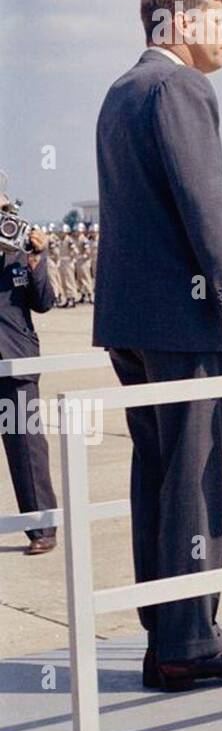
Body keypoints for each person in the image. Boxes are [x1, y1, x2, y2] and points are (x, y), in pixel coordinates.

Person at [95, 0, 222, 692]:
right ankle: (189, 643)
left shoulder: (122, 90)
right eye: (218, 20)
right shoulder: (181, 90)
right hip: (180, 317)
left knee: (158, 476)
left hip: (131, 321)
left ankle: (168, 634)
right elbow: (202, 204)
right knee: (195, 478)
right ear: (176, 24)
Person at [0, 210, 58, 556]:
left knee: (26, 449)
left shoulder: (21, 251)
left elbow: (44, 302)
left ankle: (41, 528)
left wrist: (39, 258)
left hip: (15, 361)